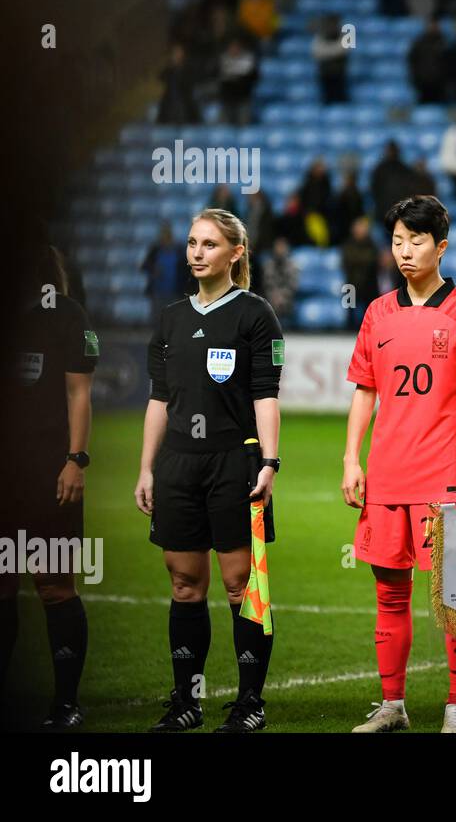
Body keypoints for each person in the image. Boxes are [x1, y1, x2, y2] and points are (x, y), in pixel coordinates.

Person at [342, 196, 456, 734]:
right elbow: (365, 392)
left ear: (441, 246)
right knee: (389, 592)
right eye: (398, 241)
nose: (405, 252)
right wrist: (350, 460)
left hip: (446, 475)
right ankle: (392, 706)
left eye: (417, 241)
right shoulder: (378, 312)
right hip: (387, 474)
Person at [134, 210, 284, 732]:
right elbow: (158, 399)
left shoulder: (255, 314)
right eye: (193, 243)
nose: (196, 252)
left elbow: (266, 395)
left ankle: (250, 703)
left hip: (233, 463)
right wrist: (147, 469)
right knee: (183, 585)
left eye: (210, 244)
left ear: (235, 253)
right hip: (178, 464)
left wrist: (269, 461)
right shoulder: (171, 318)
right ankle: (187, 701)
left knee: (242, 585)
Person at [1, 244, 98, 728]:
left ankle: (66, 704)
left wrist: (75, 460)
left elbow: (79, 392)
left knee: (55, 587)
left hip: (48, 474)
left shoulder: (65, 314)